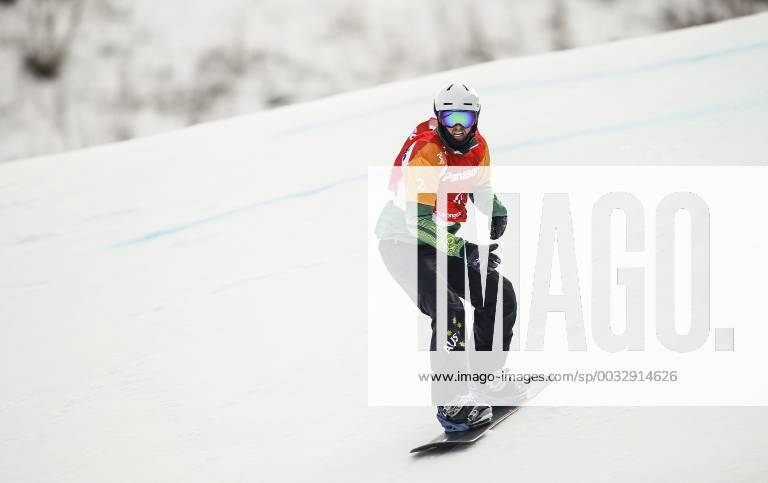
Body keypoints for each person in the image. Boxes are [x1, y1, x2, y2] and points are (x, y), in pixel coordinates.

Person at [375, 83, 518, 432]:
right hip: (404, 243)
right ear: (439, 117)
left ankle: (485, 379)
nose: (458, 126)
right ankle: (452, 404)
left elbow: (478, 183)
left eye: (465, 118)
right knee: (449, 310)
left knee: (499, 293)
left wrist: (493, 207)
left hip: (439, 242)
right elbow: (416, 221)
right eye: (450, 118)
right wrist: (465, 250)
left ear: (476, 118)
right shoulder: (427, 152)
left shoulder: (478, 145)